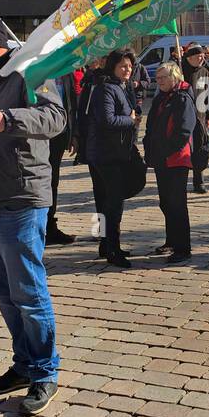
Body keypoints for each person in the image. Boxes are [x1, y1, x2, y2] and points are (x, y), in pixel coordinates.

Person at [0, 14, 66, 414]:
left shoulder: (29, 70)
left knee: (28, 291)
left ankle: (43, 372)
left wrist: (5, 120)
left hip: (18, 199)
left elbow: (56, 119)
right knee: (3, 291)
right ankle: (23, 363)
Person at [85, 48, 140, 267]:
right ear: (113, 67)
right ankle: (112, 249)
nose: (127, 69)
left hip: (112, 152)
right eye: (122, 66)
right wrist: (131, 120)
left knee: (105, 200)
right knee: (112, 203)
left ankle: (105, 244)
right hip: (106, 154)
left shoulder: (121, 87)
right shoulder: (106, 88)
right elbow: (106, 120)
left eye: (129, 66)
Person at [144, 61, 196, 263]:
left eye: (164, 77)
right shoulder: (161, 98)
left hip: (177, 158)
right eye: (158, 78)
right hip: (161, 159)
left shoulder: (183, 98)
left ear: (175, 77)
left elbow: (183, 130)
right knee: (166, 202)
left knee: (177, 204)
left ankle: (183, 248)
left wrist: (165, 150)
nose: (160, 81)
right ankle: (171, 240)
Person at [45, 69, 79, 245]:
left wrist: (73, 135)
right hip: (39, 135)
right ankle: (38, 227)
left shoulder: (65, 72)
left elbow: (71, 104)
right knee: (38, 183)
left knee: (52, 182)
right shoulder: (38, 70)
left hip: (60, 134)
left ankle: (50, 227)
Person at [180, 44, 209, 195]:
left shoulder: (205, 72)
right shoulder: (180, 70)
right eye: (199, 56)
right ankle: (180, 181)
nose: (202, 58)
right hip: (182, 116)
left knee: (199, 150)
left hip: (200, 117)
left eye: (202, 56)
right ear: (189, 58)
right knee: (182, 150)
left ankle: (199, 182)